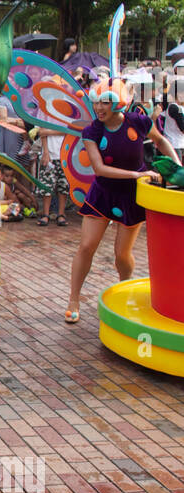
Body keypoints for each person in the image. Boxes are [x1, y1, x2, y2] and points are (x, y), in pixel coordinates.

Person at [65, 86, 182, 323]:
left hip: (131, 197)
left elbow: (160, 141)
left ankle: (124, 292)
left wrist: (178, 165)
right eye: (96, 102)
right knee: (87, 246)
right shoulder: (92, 131)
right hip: (104, 193)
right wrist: (135, 175)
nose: (99, 107)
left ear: (119, 103)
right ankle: (73, 299)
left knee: (122, 255)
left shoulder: (138, 122)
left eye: (105, 102)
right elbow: (99, 168)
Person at [37, 127, 69, 225]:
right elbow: (41, 132)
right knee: (46, 186)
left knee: (63, 186)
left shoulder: (68, 116)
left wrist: (49, 131)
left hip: (65, 155)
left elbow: (70, 131)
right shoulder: (46, 114)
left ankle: (61, 214)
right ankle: (45, 214)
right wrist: (45, 152)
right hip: (49, 156)